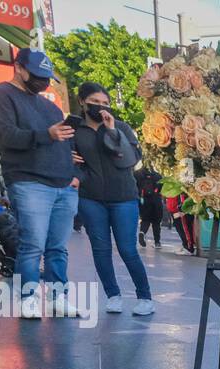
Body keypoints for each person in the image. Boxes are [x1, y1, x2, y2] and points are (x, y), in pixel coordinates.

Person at [0, 47, 80, 320]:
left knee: (57, 247)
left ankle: (58, 298)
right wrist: (46, 135)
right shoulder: (0, 95)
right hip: (28, 181)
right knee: (32, 244)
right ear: (19, 68)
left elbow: (65, 142)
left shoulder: (50, 105)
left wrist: (75, 176)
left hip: (63, 183)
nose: (43, 82)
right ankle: (28, 298)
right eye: (37, 75)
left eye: (47, 77)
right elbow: (4, 137)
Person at [69, 83, 152, 317]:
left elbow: (131, 159)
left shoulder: (122, 128)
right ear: (83, 102)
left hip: (124, 198)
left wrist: (113, 132)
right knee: (101, 249)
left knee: (128, 249)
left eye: (105, 103)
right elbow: (67, 161)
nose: (101, 107)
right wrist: (70, 161)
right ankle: (113, 295)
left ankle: (145, 296)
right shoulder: (75, 131)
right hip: (91, 198)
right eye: (96, 101)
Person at [136, 166, 164, 247]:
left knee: (145, 220)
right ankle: (157, 242)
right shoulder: (158, 176)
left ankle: (142, 232)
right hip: (156, 200)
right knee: (156, 222)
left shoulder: (137, 174)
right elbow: (162, 188)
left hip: (144, 200)